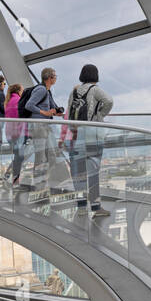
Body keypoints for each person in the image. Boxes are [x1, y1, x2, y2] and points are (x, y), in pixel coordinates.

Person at [66, 63, 113, 216]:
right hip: (93, 136)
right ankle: (95, 207)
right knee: (93, 172)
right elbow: (109, 101)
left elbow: (69, 112)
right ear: (95, 75)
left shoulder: (73, 91)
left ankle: (80, 207)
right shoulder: (95, 90)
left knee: (78, 173)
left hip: (76, 135)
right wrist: (99, 116)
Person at [24, 67, 61, 199]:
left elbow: (52, 107)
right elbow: (29, 105)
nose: (56, 78)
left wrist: (58, 112)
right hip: (38, 126)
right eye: (55, 76)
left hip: (43, 127)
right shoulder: (40, 90)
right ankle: (39, 189)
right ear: (50, 78)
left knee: (49, 156)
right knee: (41, 158)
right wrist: (44, 113)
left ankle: (43, 185)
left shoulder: (47, 91)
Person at [5, 82, 28, 187]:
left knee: (17, 156)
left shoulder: (8, 102)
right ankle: (15, 181)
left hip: (10, 134)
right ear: (19, 91)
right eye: (22, 90)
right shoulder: (19, 101)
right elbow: (22, 117)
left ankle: (9, 176)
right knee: (20, 157)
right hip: (18, 133)